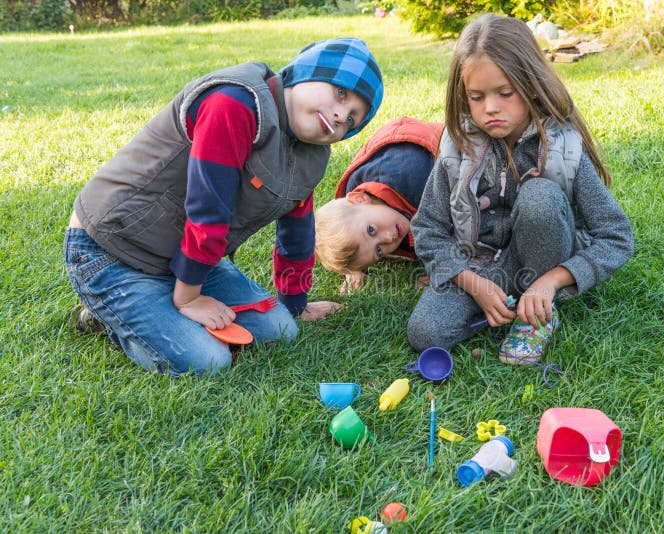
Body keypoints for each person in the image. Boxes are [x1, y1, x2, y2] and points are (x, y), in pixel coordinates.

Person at [64, 38, 383, 375]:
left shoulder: (312, 154)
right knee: (207, 361)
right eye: (340, 93)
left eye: (352, 119)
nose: (340, 115)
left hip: (178, 257)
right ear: (303, 73)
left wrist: (295, 304)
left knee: (281, 330)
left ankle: (162, 303)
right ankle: (110, 313)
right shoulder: (235, 103)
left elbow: (297, 230)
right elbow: (208, 211)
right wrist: (189, 298)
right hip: (112, 249)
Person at [407, 14, 633, 364]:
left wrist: (551, 282)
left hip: (544, 262)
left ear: (530, 84)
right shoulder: (457, 146)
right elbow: (427, 227)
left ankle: (538, 310)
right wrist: (473, 285)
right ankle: (508, 306)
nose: (490, 108)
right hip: (480, 265)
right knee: (425, 333)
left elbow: (616, 236)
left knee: (539, 198)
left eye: (505, 93)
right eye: (476, 97)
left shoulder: (564, 147)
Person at [314, 117, 443, 292]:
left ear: (360, 199)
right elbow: (355, 240)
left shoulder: (417, 179)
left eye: (372, 230)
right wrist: (355, 268)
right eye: (379, 251)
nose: (388, 239)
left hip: (439, 149)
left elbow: (458, 218)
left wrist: (443, 268)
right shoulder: (358, 210)